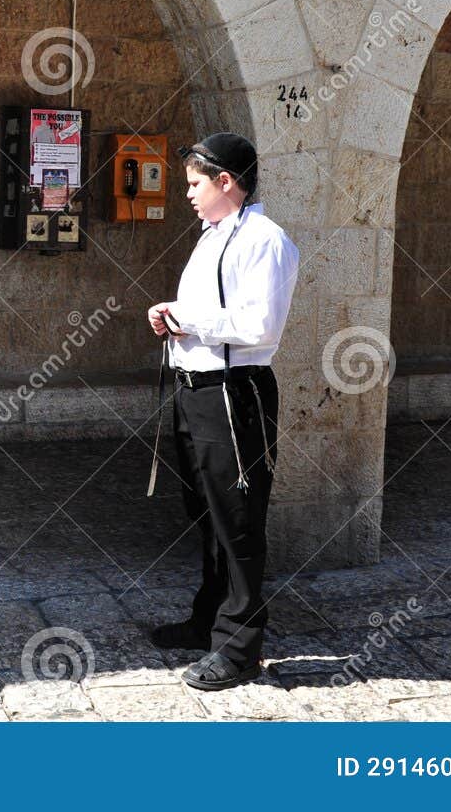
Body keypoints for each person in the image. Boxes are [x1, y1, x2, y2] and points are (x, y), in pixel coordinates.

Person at [144, 132, 299, 690]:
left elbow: (262, 327)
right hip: (196, 391)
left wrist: (187, 320)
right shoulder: (211, 237)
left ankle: (239, 648)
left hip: (235, 393)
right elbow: (206, 313)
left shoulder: (265, 240)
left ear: (225, 182)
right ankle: (209, 618)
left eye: (194, 184)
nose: (187, 193)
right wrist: (171, 318)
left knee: (238, 515)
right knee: (206, 510)